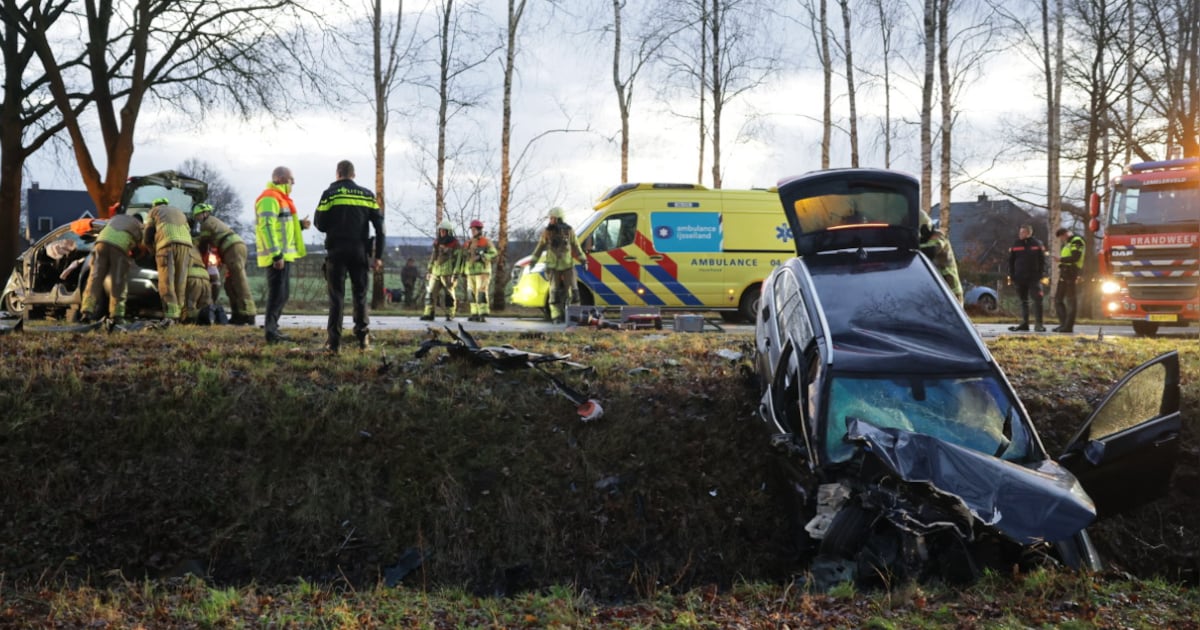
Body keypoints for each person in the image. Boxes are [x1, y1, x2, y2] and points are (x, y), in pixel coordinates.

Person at [314, 160, 385, 353]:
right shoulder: (367, 195)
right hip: (360, 252)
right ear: (353, 175)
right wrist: (378, 256)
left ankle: (334, 344)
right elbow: (380, 228)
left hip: (336, 251)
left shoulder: (329, 194)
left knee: (336, 297)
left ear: (337, 173)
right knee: (360, 296)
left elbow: (319, 223)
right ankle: (363, 340)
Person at [255, 166, 310, 344]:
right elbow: (267, 227)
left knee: (282, 294)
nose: (293, 182)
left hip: (283, 257)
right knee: (277, 294)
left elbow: (282, 225)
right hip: (277, 257)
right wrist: (276, 255)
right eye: (290, 178)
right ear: (279, 178)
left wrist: (300, 225)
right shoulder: (270, 198)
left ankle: (274, 329)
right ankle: (271, 333)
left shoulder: (281, 199)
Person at [192, 202, 256, 325]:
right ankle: (238, 314)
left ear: (206, 213)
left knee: (239, 281)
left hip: (232, 248)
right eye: (197, 216)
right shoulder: (212, 222)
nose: (198, 218)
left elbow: (204, 245)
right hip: (232, 249)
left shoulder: (206, 223)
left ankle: (249, 313)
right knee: (229, 284)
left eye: (199, 215)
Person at [80, 212, 144, 325]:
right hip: (118, 247)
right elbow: (139, 248)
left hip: (100, 244)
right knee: (118, 282)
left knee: (94, 279)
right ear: (140, 221)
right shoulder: (138, 225)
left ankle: (86, 312)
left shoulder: (116, 218)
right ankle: (117, 315)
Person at [529, 206, 584, 323]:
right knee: (554, 293)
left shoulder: (569, 231)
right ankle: (556, 316)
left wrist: (584, 260)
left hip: (568, 266)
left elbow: (576, 245)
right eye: (550, 218)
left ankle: (574, 316)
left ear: (559, 218)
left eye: (552, 218)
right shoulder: (547, 232)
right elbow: (539, 247)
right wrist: (533, 261)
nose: (550, 220)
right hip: (553, 267)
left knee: (574, 292)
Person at [142, 198, 193, 323]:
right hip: (186, 245)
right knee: (180, 281)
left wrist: (150, 250)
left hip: (166, 244)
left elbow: (148, 233)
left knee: (166, 281)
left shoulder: (154, 211)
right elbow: (189, 230)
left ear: (155, 205)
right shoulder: (179, 212)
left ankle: (170, 315)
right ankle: (180, 316)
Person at [917, 210, 964, 304]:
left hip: (952, 292)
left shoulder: (939, 236)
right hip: (939, 292)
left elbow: (930, 251)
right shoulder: (923, 242)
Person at [1007, 224, 1047, 332]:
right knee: (1023, 301)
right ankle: (1024, 323)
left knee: (1037, 300)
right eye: (1020, 232)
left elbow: (1043, 261)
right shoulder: (1016, 244)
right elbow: (1011, 261)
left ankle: (1039, 324)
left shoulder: (1037, 244)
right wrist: (1012, 275)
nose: (1020, 234)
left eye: (1023, 232)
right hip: (1020, 278)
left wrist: (1041, 274)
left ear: (1029, 233)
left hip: (1034, 278)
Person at [421, 220, 463, 321]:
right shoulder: (437, 242)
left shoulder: (455, 244)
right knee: (430, 294)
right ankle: (428, 314)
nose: (442, 233)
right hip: (435, 273)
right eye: (440, 231)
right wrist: (429, 270)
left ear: (449, 232)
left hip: (448, 274)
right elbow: (433, 257)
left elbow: (459, 260)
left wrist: (456, 274)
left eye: (444, 231)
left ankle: (450, 314)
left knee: (449, 296)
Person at [463, 219, 498, 322]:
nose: (473, 231)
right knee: (471, 293)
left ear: (479, 230)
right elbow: (465, 258)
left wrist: (482, 257)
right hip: (470, 272)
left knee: (481, 292)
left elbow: (494, 253)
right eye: (472, 229)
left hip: (482, 271)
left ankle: (483, 313)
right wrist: (463, 271)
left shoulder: (486, 241)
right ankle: (474, 313)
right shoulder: (468, 243)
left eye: (474, 229)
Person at [1053, 227, 1086, 333]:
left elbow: (1075, 257)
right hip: (1064, 272)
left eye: (1062, 237)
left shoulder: (1077, 241)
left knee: (1071, 300)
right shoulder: (1068, 242)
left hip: (1071, 272)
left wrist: (1060, 259)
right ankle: (1063, 324)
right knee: (1058, 299)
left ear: (1065, 234)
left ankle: (1068, 326)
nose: (1062, 240)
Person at [182, 244, 213, 323]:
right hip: (205, 276)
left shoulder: (176, 246)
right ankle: (204, 326)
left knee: (189, 306)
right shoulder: (194, 246)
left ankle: (189, 323)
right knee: (204, 307)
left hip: (191, 276)